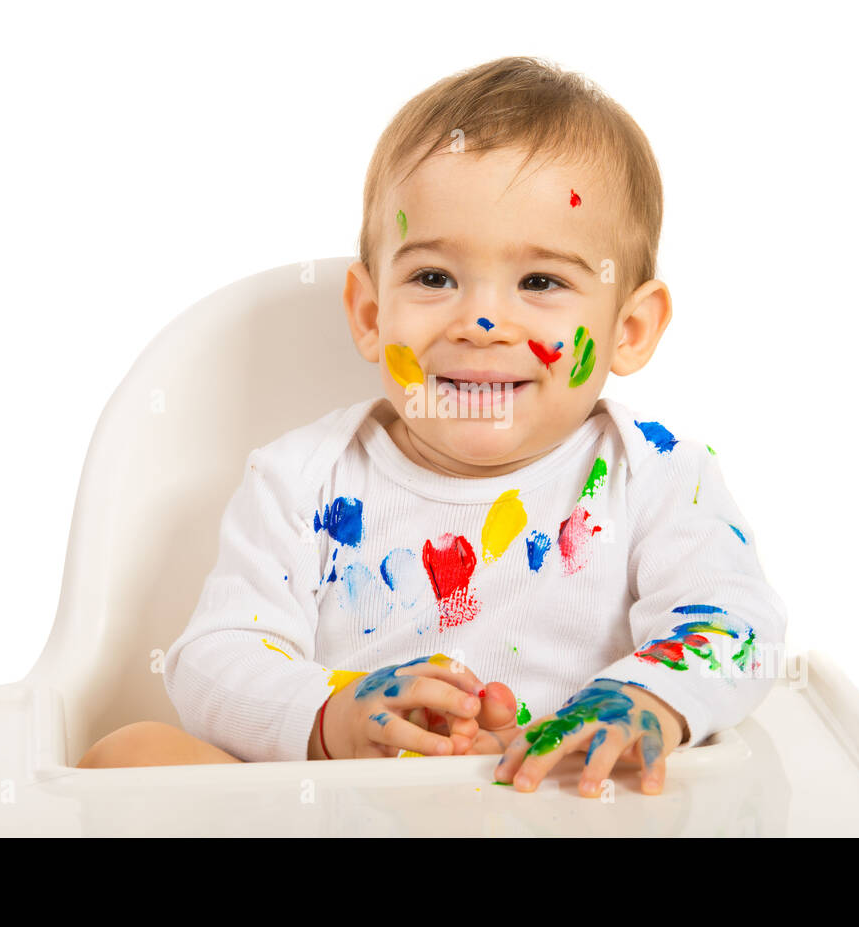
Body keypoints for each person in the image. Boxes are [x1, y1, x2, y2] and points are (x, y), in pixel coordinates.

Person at [79, 56, 788, 798]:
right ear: (370, 312)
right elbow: (214, 657)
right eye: (434, 278)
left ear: (631, 328)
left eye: (540, 281)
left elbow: (739, 627)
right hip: (351, 813)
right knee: (127, 756)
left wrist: (644, 701)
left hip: (560, 805)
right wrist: (330, 720)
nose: (482, 322)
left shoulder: (660, 475)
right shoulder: (301, 477)